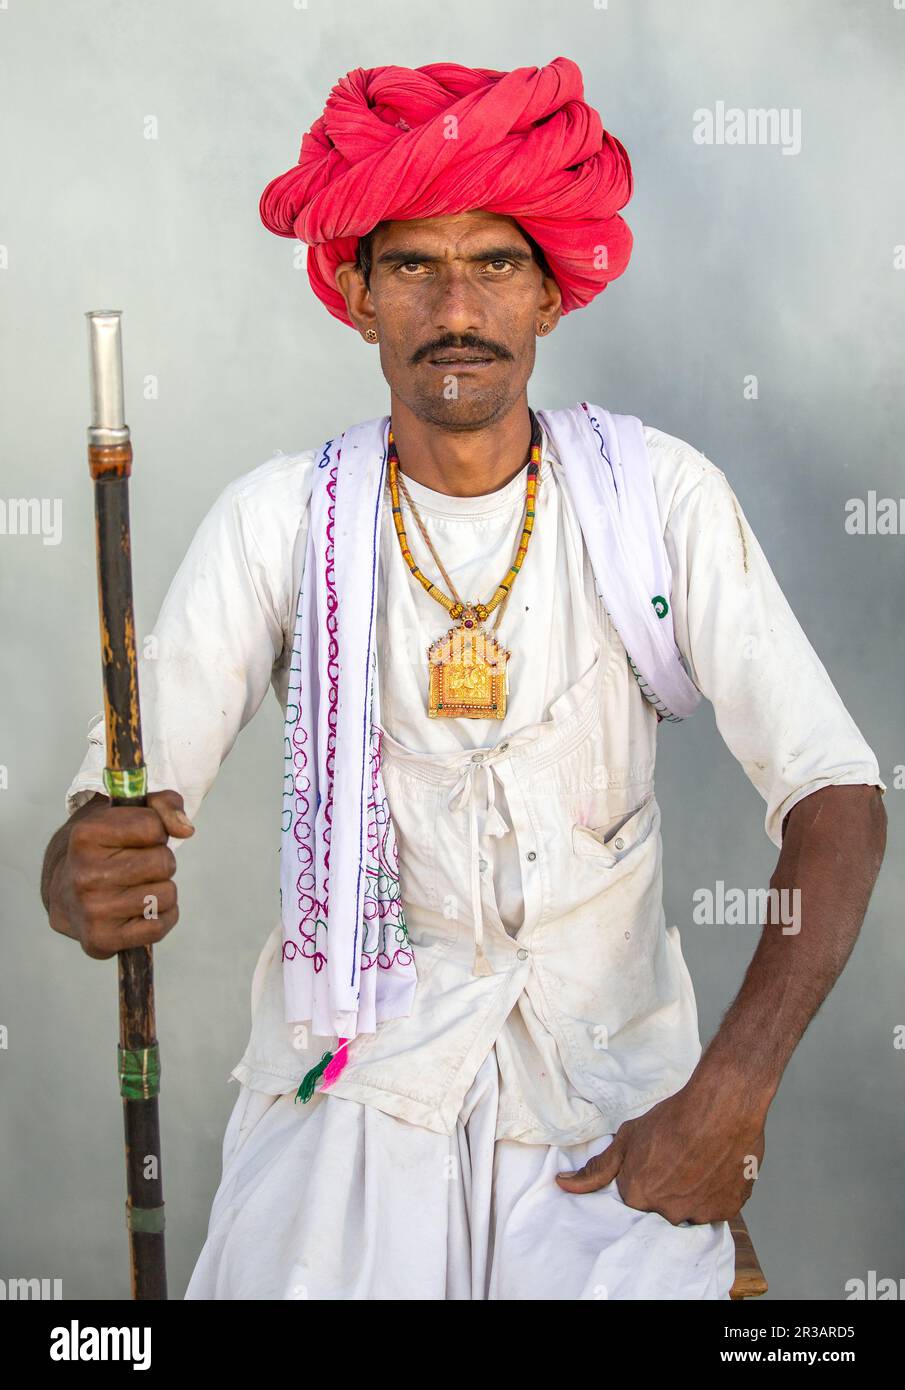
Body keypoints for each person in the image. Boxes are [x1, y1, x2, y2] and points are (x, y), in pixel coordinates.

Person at [41, 57, 886, 1301]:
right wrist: (83, 873)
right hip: (354, 1080)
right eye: (410, 265)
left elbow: (836, 798)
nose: (455, 303)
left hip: (612, 1102)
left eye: (494, 261)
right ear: (358, 294)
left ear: (550, 292)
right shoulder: (280, 520)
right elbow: (107, 828)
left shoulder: (658, 500)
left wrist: (729, 1098)